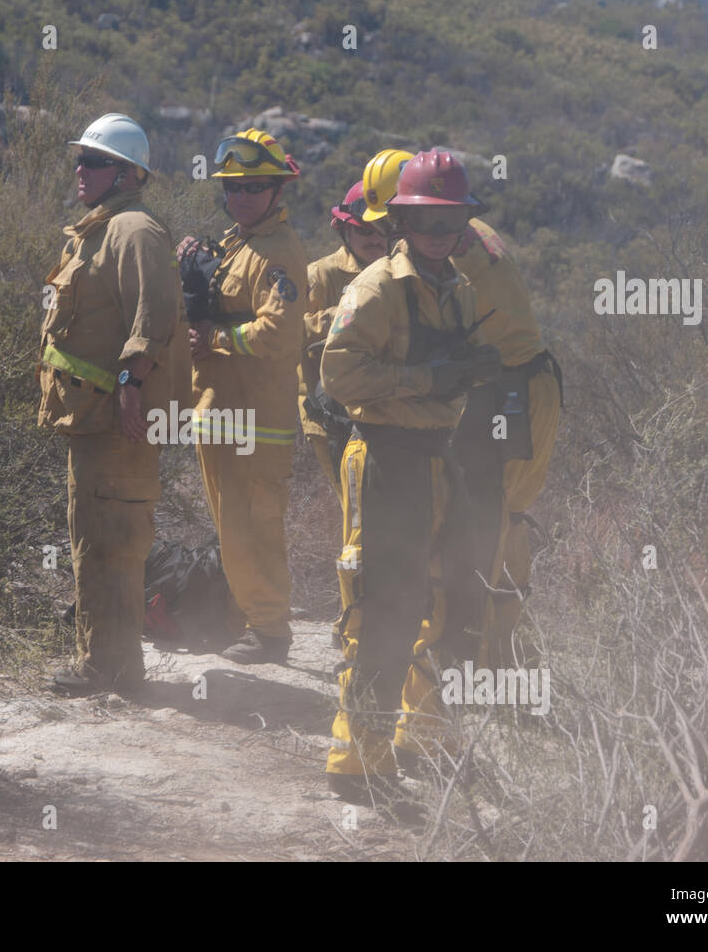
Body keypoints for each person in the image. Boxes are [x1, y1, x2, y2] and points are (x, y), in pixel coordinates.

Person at [357, 149, 562, 769]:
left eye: (392, 220)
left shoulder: (440, 258)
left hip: (497, 398)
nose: (389, 234)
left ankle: (427, 721)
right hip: (518, 390)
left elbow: (394, 322)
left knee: (452, 558)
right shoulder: (464, 232)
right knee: (496, 531)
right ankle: (493, 664)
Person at [319, 150, 502, 813]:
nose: (437, 231)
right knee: (382, 610)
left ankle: (420, 736)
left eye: (450, 219)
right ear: (400, 219)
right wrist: (427, 379)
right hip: (384, 457)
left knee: (447, 601)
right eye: (425, 218)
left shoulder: (458, 288)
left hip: (434, 458)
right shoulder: (375, 288)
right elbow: (337, 376)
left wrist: (472, 373)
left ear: (463, 224)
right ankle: (355, 760)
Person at [38, 113, 186, 695]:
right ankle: (103, 661)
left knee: (113, 549)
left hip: (118, 424)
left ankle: (113, 669)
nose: (81, 169)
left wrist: (132, 384)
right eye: (80, 159)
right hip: (92, 420)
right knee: (95, 543)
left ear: (126, 174)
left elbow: (156, 314)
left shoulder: (135, 231)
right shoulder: (101, 230)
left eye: (94, 161)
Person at [176, 129, 308, 665]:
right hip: (220, 410)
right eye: (233, 187)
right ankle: (248, 618)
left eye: (254, 186)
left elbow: (279, 337)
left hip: (257, 420)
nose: (242, 197)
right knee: (233, 528)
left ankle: (271, 631)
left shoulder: (278, 254)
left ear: (278, 190)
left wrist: (218, 339)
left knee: (255, 527)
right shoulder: (238, 244)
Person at [300, 182, 389, 489]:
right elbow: (295, 331)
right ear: (344, 230)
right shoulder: (321, 275)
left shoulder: (398, 274)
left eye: (384, 229)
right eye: (366, 230)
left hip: (384, 411)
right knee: (354, 506)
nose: (376, 239)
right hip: (331, 417)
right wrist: (350, 312)